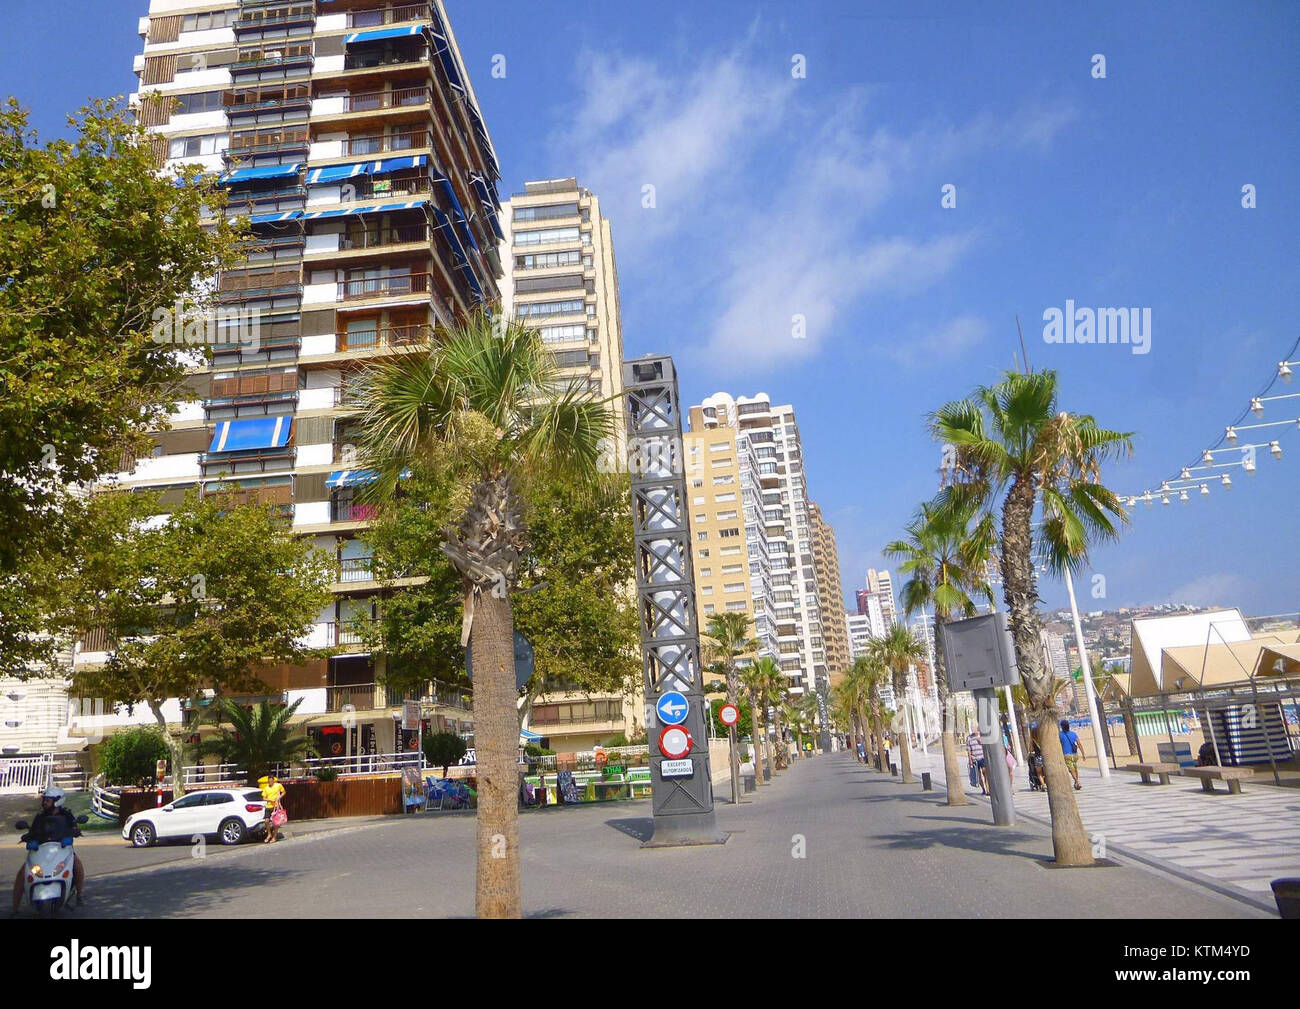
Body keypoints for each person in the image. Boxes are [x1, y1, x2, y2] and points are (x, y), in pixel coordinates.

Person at [12, 786, 84, 914]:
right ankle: (15, 908)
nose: (44, 802)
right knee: (22, 874)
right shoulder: (40, 817)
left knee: (77, 865)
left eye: (47, 800)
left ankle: (79, 894)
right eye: (44, 800)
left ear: (57, 801)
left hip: (61, 849)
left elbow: (74, 826)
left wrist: (75, 831)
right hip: (41, 850)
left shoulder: (66, 814)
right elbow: (32, 831)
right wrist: (27, 837)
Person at [259, 774, 287, 843]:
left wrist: (279, 797)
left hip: (276, 806)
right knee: (266, 821)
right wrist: (269, 800)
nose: (270, 782)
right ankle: (269, 834)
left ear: (273, 781)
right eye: (269, 781)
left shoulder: (278, 785)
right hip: (269, 806)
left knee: (276, 823)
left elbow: (284, 792)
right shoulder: (266, 788)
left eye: (271, 781)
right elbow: (263, 797)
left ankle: (274, 837)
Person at [1059, 719, 1084, 790]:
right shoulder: (1073, 734)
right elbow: (1079, 744)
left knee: (1071, 769)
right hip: (1075, 754)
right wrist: (1083, 753)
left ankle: (1077, 781)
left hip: (1067, 754)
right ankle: (1076, 782)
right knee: (1075, 768)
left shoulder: (1060, 735)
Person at [966, 728, 988, 795]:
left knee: (985, 773)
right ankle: (983, 789)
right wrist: (970, 760)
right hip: (975, 759)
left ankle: (988, 789)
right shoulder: (969, 738)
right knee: (978, 776)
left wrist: (981, 741)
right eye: (973, 729)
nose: (974, 730)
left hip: (982, 757)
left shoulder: (981, 736)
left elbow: (986, 745)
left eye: (975, 729)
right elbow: (968, 749)